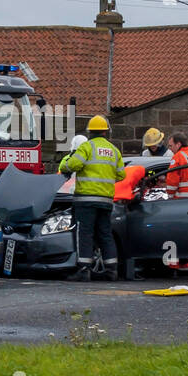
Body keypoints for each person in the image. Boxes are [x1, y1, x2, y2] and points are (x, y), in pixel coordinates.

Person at [59, 115, 125, 282]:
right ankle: (111, 270)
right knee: (105, 234)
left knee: (85, 234)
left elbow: (72, 165)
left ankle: (83, 270)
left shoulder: (87, 147)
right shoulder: (114, 150)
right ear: (105, 132)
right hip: (106, 200)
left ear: (90, 132)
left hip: (86, 199)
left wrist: (65, 164)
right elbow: (121, 174)